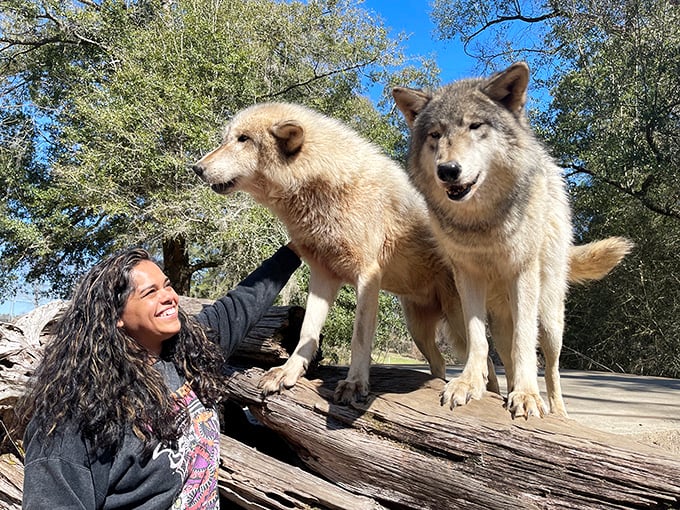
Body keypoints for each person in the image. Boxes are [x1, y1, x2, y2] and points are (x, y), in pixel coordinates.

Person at [18, 243, 301, 509]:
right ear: (115, 315)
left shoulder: (187, 355)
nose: (170, 296)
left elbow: (242, 304)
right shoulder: (72, 419)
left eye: (167, 285)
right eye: (150, 292)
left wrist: (296, 248)